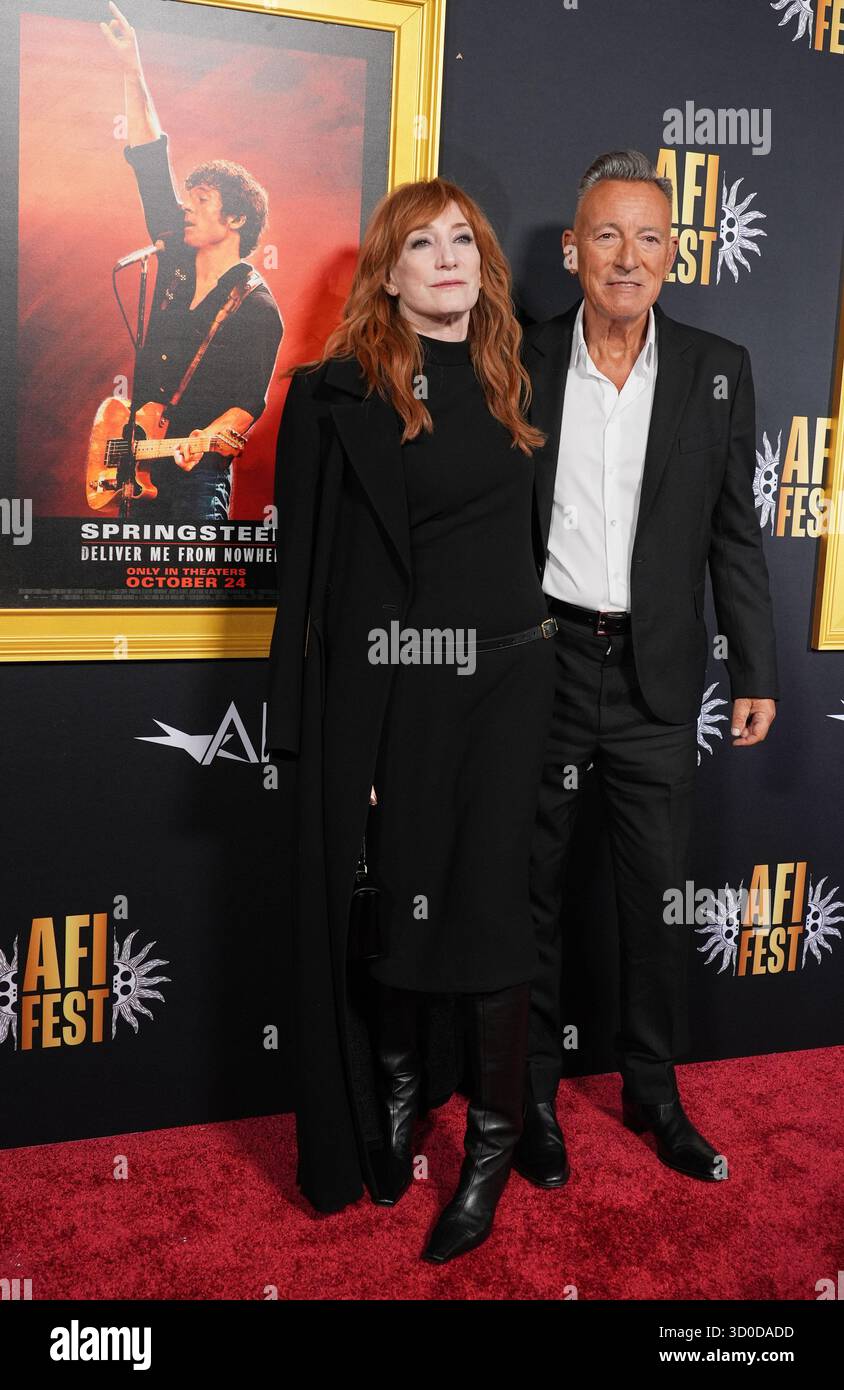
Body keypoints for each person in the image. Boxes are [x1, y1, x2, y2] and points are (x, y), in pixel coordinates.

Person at [266, 177, 557, 1263]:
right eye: (422, 244)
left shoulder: (520, 370)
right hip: (400, 690)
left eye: (463, 241)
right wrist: (327, 729)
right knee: (395, 906)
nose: (448, 257)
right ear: (386, 274)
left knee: (490, 912)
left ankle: (489, 1143)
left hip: (515, 686)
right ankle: (391, 1096)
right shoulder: (335, 395)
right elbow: (306, 585)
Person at [515, 149, 778, 1189]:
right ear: (574, 249)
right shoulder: (521, 360)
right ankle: (530, 1097)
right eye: (608, 236)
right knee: (528, 894)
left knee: (656, 899)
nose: (628, 257)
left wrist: (753, 665)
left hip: (658, 682)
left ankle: (654, 1093)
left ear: (676, 254)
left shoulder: (719, 367)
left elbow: (735, 533)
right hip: (541, 667)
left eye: (650, 238)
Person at [100, 2, 283, 519]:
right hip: (137, 468)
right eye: (191, 195)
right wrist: (131, 69)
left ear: (237, 220)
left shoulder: (257, 308)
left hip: (196, 476)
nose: (188, 206)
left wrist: (206, 438)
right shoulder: (175, 257)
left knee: (189, 592)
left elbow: (248, 403)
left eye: (202, 199)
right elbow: (150, 164)